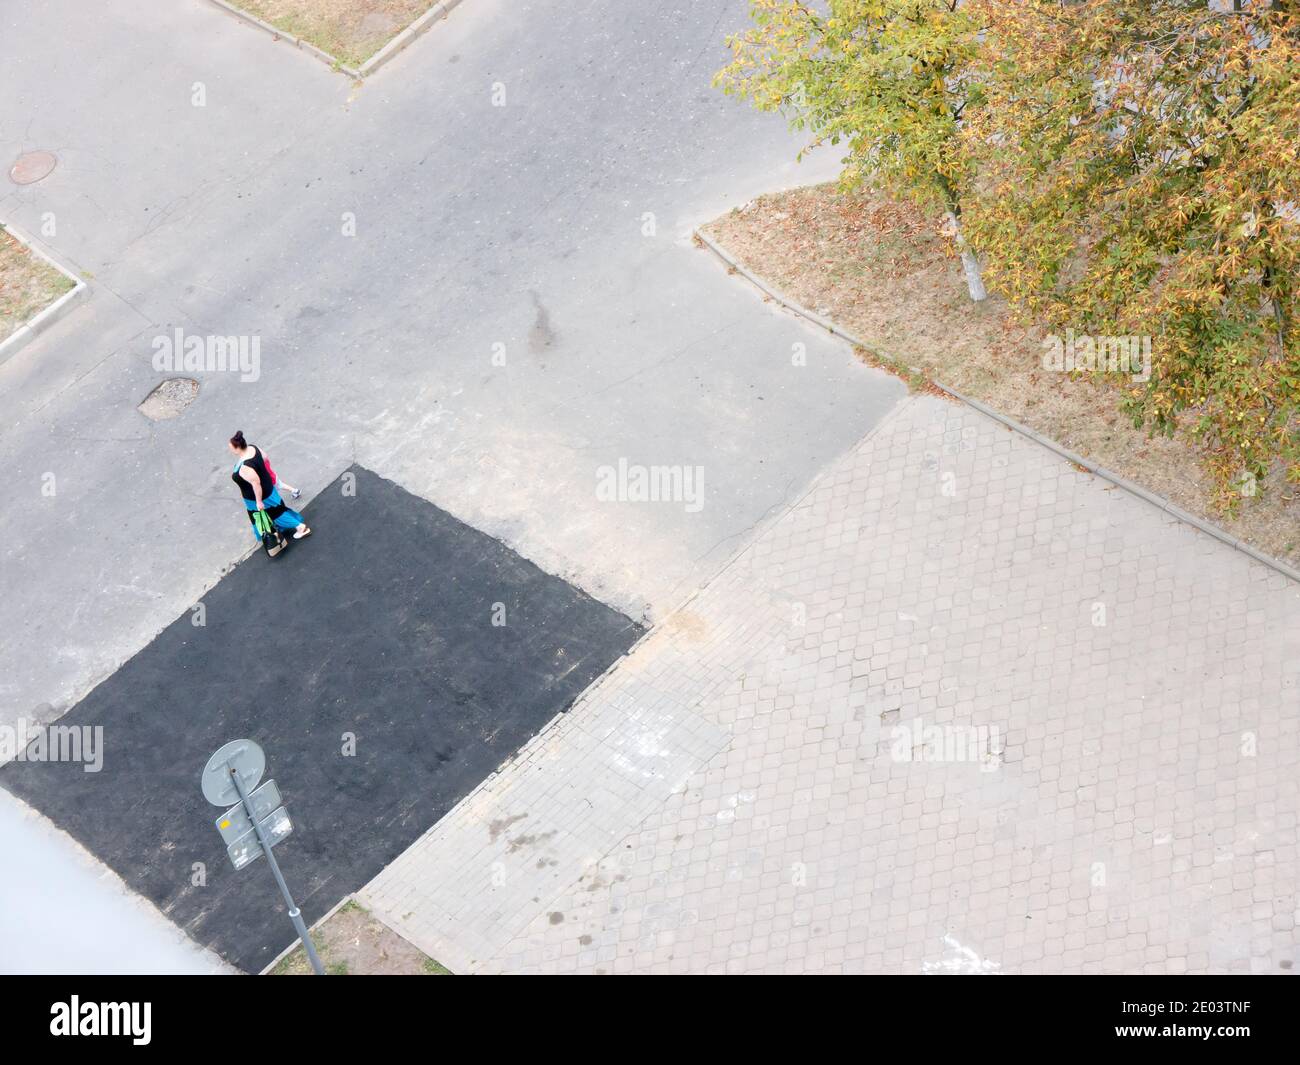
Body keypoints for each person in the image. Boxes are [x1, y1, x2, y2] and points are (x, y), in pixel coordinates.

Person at [229, 431, 311, 543]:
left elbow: (256, 484)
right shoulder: (253, 448)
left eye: (231, 447)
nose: (230, 450)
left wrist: (258, 502)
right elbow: (265, 458)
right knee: (278, 510)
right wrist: (266, 475)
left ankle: (300, 527)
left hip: (259, 497)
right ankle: (283, 530)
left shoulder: (245, 467)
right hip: (269, 489)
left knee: (276, 514)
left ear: (237, 448)